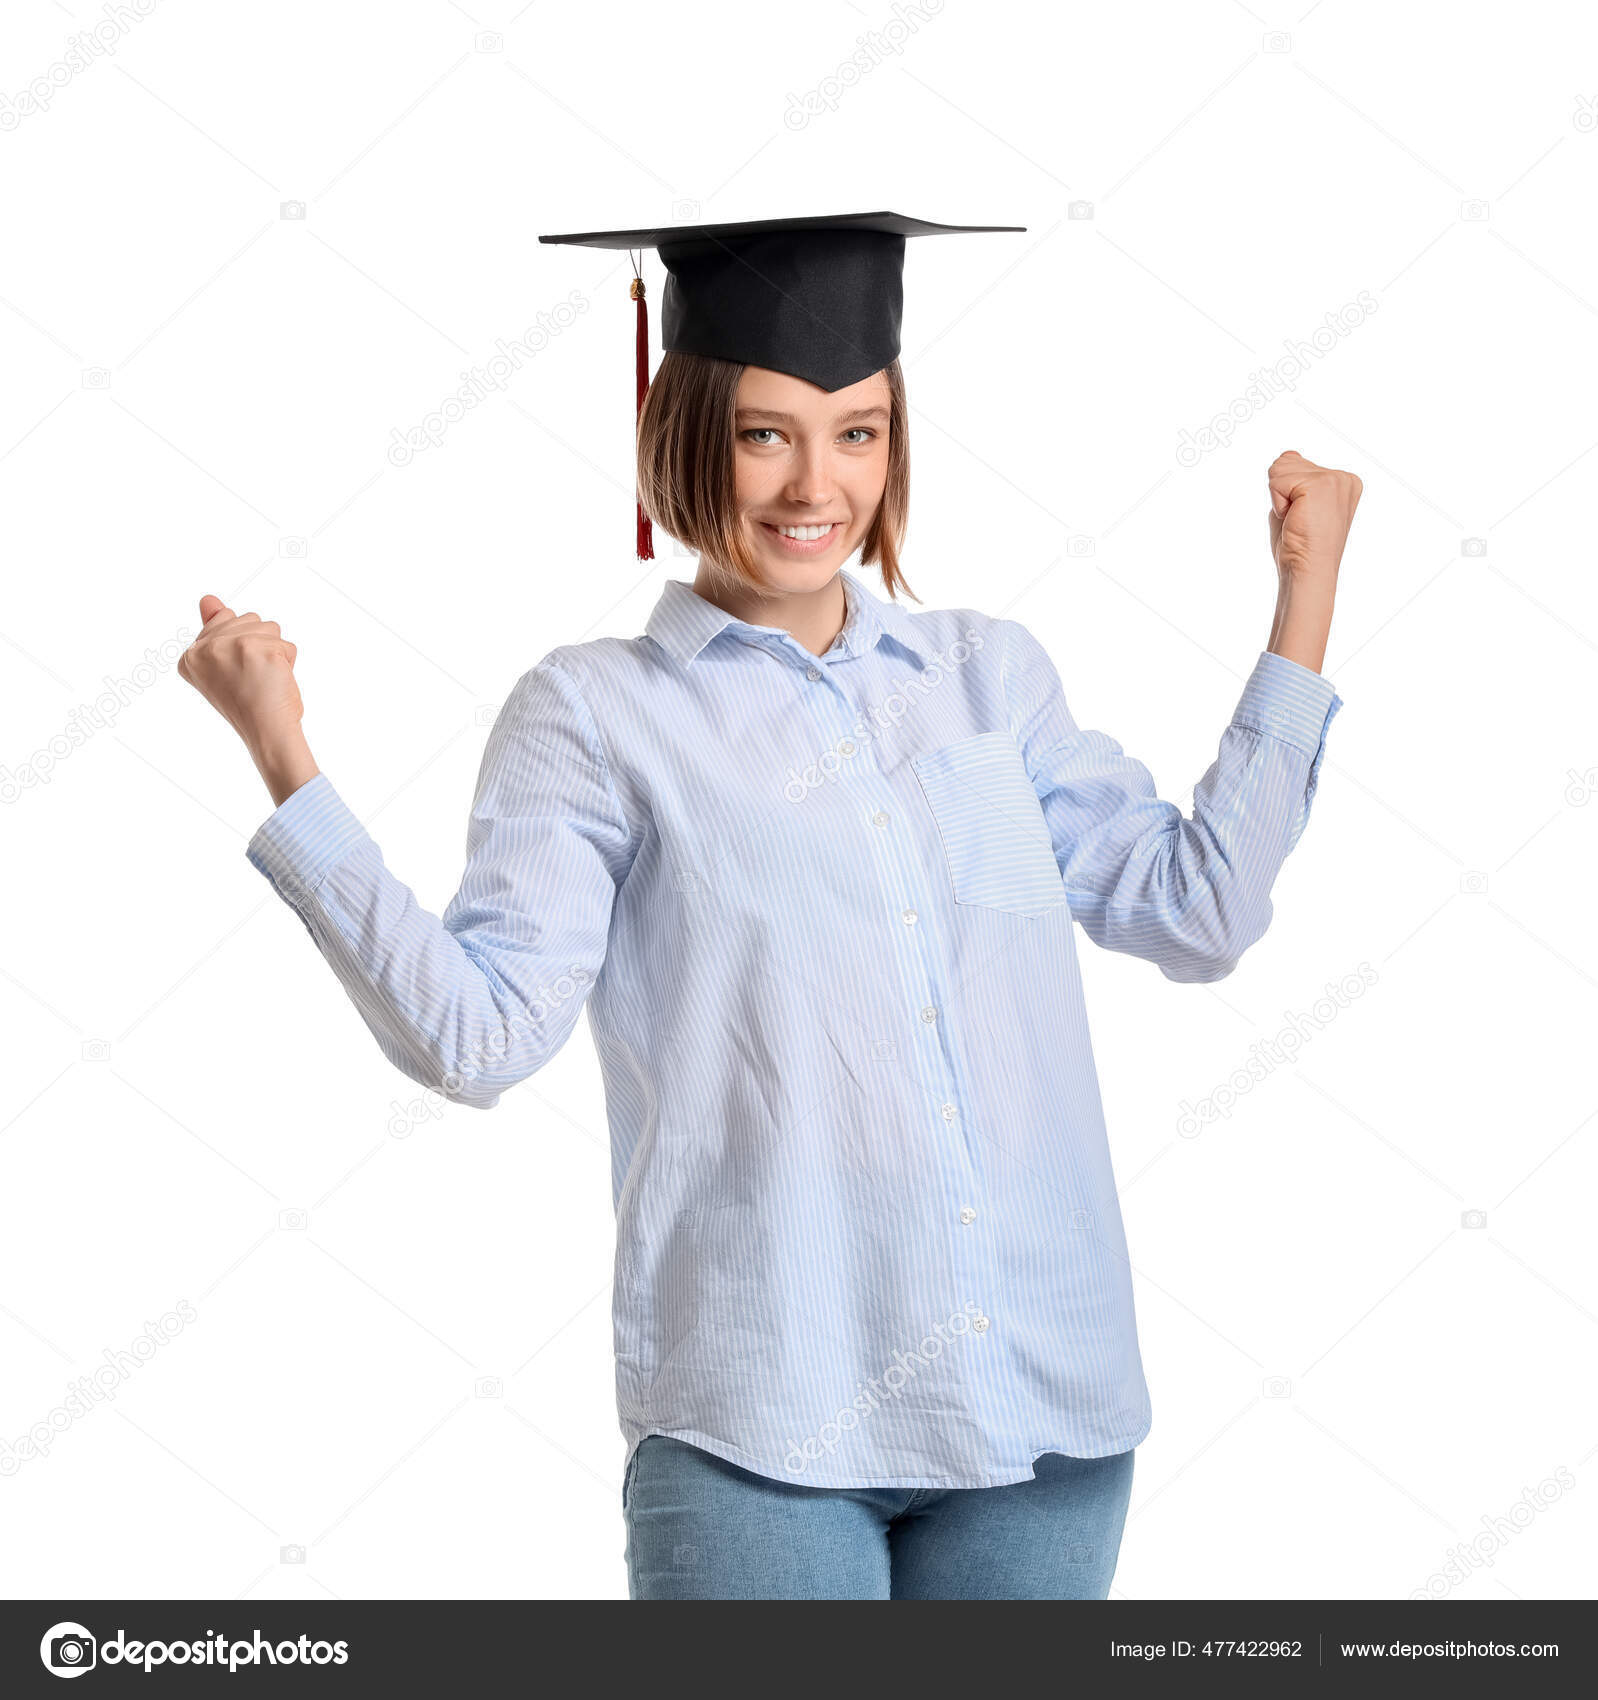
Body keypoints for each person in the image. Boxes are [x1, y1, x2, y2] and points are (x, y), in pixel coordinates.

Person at [179, 211, 1360, 1600]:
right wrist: (285, 755)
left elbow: (1198, 913)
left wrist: (1305, 593)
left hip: (1043, 1408)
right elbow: (478, 1038)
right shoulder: (596, 715)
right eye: (763, 434)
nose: (816, 484)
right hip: (764, 1426)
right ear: (686, 434)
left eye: (857, 432)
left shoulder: (986, 678)